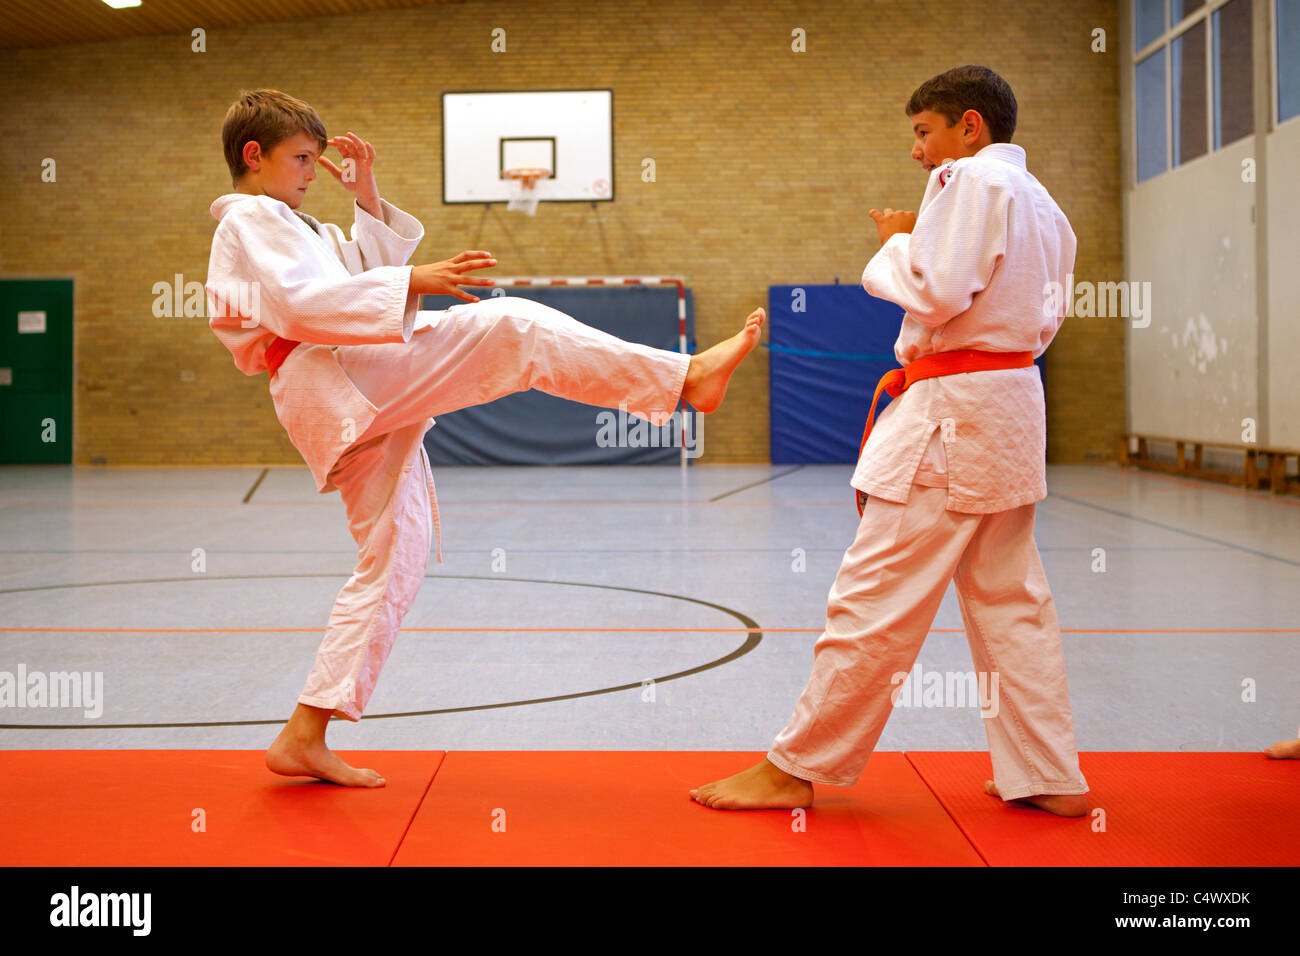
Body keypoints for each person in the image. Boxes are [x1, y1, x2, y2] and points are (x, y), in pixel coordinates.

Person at [205, 89, 765, 788]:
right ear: (253, 157)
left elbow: (352, 279)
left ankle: (304, 731)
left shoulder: (294, 224)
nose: (313, 172)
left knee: (395, 554)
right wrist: (412, 279)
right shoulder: (250, 220)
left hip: (346, 391)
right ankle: (685, 380)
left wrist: (370, 198)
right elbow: (299, 306)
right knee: (512, 329)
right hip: (338, 375)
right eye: (302, 159)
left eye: (317, 159)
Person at [691, 65, 1090, 817]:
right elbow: (1036, 313)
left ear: (969, 126)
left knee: (873, 596)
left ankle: (798, 766)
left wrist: (894, 243)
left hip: (953, 417)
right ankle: (1048, 774)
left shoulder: (968, 182)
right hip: (1008, 409)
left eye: (922, 132)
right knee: (1012, 601)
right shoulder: (1046, 206)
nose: (917, 152)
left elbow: (936, 288)